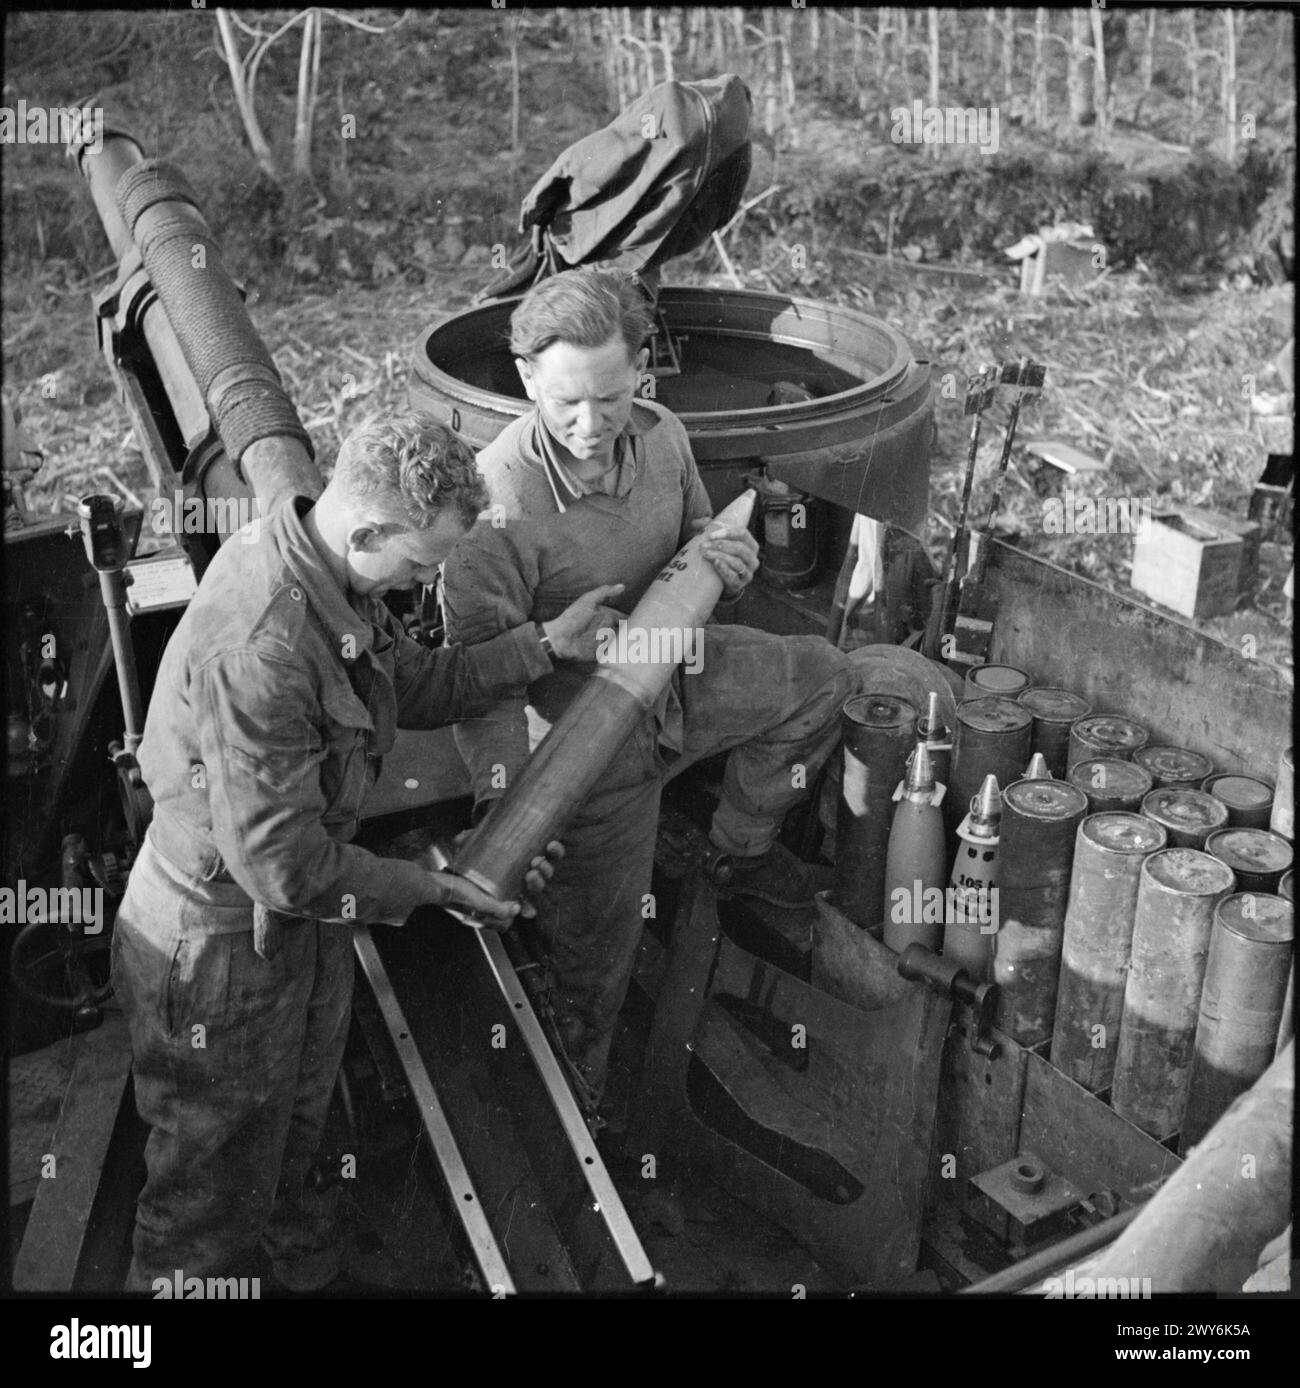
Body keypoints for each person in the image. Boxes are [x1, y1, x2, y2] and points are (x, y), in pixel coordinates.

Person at [110, 411, 622, 1292]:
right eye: (422, 563)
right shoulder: (265, 649)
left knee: (298, 1134)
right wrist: (434, 884)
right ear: (369, 528)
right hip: (221, 951)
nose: (430, 582)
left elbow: (410, 683)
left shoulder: (337, 574)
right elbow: (284, 867)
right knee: (206, 1199)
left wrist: (543, 645)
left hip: (299, 932)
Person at [440, 268, 854, 1107]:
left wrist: (727, 565)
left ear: (640, 373)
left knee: (823, 677)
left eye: (611, 398)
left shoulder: (662, 435)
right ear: (527, 381)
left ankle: (729, 853)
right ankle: (580, 1110)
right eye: (565, 406)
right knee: (596, 967)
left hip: (683, 674)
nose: (591, 426)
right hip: (582, 747)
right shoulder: (494, 509)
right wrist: (503, 802)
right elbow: (473, 685)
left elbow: (700, 534)